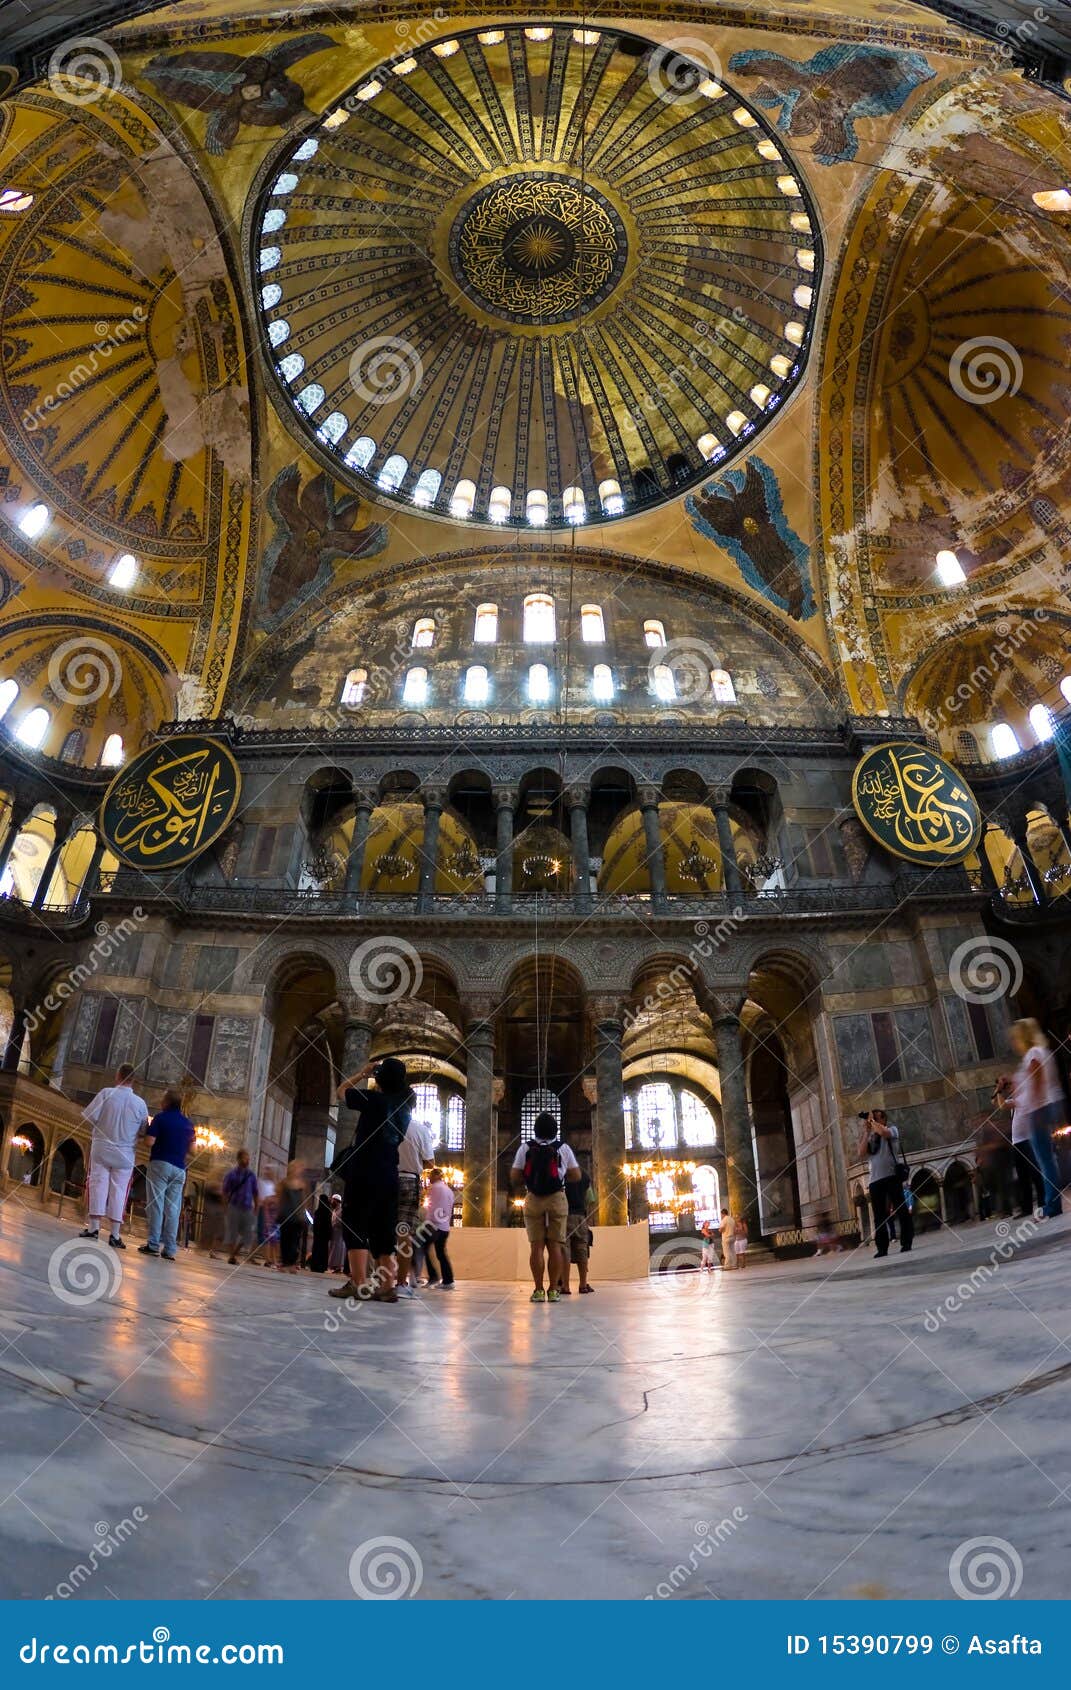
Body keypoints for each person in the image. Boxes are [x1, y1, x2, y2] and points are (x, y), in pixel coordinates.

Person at [328, 1057, 414, 1305]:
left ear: (380, 1078)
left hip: (365, 1170)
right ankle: (387, 1288)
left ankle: (358, 1283)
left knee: (355, 1224)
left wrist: (362, 1072)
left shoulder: (373, 1099)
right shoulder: (405, 1107)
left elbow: (341, 1091)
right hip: (390, 1174)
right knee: (383, 1231)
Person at [510, 1111, 581, 1303]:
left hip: (533, 1198)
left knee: (536, 1247)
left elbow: (514, 1177)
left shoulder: (526, 1148)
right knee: (556, 1246)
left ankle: (539, 1290)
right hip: (557, 1198)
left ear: (535, 1129)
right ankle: (553, 1290)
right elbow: (577, 1176)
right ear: (555, 1130)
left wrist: (530, 1178)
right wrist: (560, 1175)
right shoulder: (562, 1148)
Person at [80, 1064, 151, 1249]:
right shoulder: (140, 1104)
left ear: (118, 1076)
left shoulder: (106, 1093)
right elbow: (144, 1131)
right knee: (120, 1190)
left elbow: (89, 1117)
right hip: (125, 1153)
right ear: (133, 1080)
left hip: (101, 1147)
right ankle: (115, 1235)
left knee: (97, 1183)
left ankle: (94, 1228)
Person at [1009, 1018, 1065, 1218]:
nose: (1014, 1042)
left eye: (1015, 1037)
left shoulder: (1033, 1053)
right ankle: (1053, 1203)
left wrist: (1033, 1104)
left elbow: (1038, 1078)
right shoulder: (1043, 1051)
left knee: (1045, 1160)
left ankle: (1051, 1205)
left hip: (1038, 1109)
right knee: (1048, 1159)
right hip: (1047, 1105)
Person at [138, 1087, 194, 1261]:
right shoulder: (189, 1124)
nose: (160, 1102)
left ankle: (153, 1245)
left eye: (162, 1099)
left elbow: (149, 1142)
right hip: (179, 1169)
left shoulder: (160, 1118)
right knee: (173, 1209)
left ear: (167, 1103)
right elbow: (193, 1150)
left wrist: (143, 1135)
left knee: (156, 1205)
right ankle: (170, 1249)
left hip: (160, 1164)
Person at [859, 1108, 914, 1259]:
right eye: (873, 1118)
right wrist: (866, 1131)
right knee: (879, 1216)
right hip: (875, 1181)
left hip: (891, 1177)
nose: (874, 1120)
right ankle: (882, 1247)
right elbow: (862, 1152)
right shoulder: (871, 1137)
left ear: (884, 1120)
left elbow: (883, 1133)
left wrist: (871, 1121)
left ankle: (906, 1241)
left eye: (877, 1118)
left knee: (901, 1209)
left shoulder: (892, 1130)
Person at [396, 1111, 437, 1297]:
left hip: (385, 1177)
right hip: (409, 1180)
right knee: (403, 1232)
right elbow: (430, 1163)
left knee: (381, 1230)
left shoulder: (385, 1123)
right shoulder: (419, 1129)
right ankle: (401, 1283)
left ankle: (382, 1279)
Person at [560, 1157, 595, 1294]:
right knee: (582, 1251)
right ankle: (583, 1285)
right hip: (581, 1217)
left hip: (564, 1217)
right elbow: (591, 1199)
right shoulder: (584, 1176)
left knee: (565, 1251)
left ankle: (565, 1286)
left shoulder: (561, 1174)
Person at [221, 1149, 258, 1264]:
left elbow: (255, 1192)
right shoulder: (231, 1174)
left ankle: (234, 1253)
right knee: (232, 1232)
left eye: (248, 1158)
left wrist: (256, 1206)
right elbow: (225, 1191)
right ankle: (232, 1257)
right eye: (245, 1158)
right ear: (239, 1159)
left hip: (247, 1207)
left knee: (248, 1233)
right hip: (234, 1205)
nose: (247, 1160)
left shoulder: (251, 1175)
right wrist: (225, 1206)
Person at [424, 1169, 456, 1288]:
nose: (429, 1178)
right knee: (441, 1253)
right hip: (445, 1227)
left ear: (437, 1176)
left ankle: (433, 1277)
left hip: (434, 1225)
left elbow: (432, 1207)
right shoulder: (449, 1190)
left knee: (422, 1248)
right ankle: (448, 1281)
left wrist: (427, 1221)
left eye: (431, 1175)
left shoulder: (434, 1188)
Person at [276, 1161, 307, 1272]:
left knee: (294, 1241)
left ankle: (292, 1263)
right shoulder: (284, 1183)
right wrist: (278, 1211)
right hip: (285, 1215)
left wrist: (303, 1214)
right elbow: (279, 1198)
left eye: (299, 1168)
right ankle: (285, 1263)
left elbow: (303, 1201)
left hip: (297, 1217)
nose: (297, 1170)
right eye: (295, 1168)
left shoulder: (302, 1184)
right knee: (285, 1239)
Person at [308, 1191, 333, 1273]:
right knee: (323, 1251)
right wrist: (329, 1234)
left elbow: (315, 1224)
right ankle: (322, 1267)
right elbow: (329, 1224)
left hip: (318, 1236)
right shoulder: (328, 1212)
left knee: (316, 1250)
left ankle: (315, 1266)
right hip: (324, 1236)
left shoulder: (317, 1212)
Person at [328, 1194, 347, 1273]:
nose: (332, 1202)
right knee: (334, 1249)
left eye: (333, 1200)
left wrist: (335, 1224)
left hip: (339, 1233)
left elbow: (342, 1222)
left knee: (339, 1249)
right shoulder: (334, 1210)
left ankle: (338, 1266)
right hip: (334, 1233)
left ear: (337, 1201)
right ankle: (334, 1266)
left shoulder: (341, 1210)